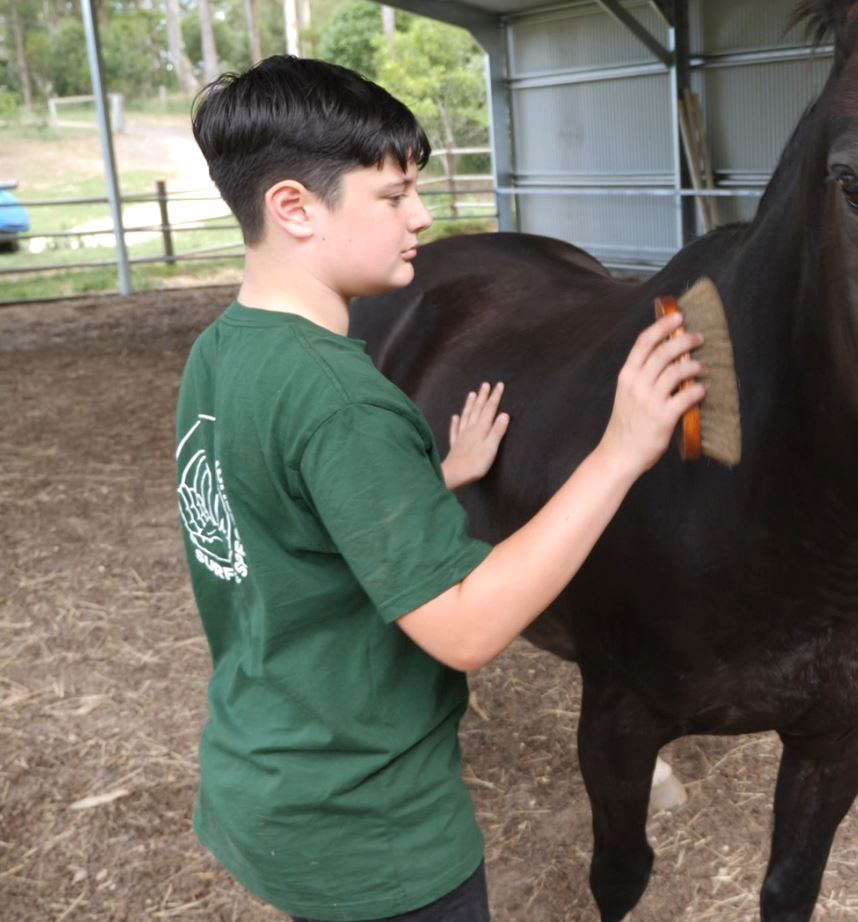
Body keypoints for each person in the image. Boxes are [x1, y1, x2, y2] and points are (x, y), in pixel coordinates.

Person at [174, 56, 705, 922]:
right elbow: (465, 628)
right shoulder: (345, 404)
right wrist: (618, 451)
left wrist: (429, 481)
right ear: (294, 208)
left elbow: (280, 511)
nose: (420, 216)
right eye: (393, 196)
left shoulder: (224, 350)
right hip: (374, 828)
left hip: (267, 782)